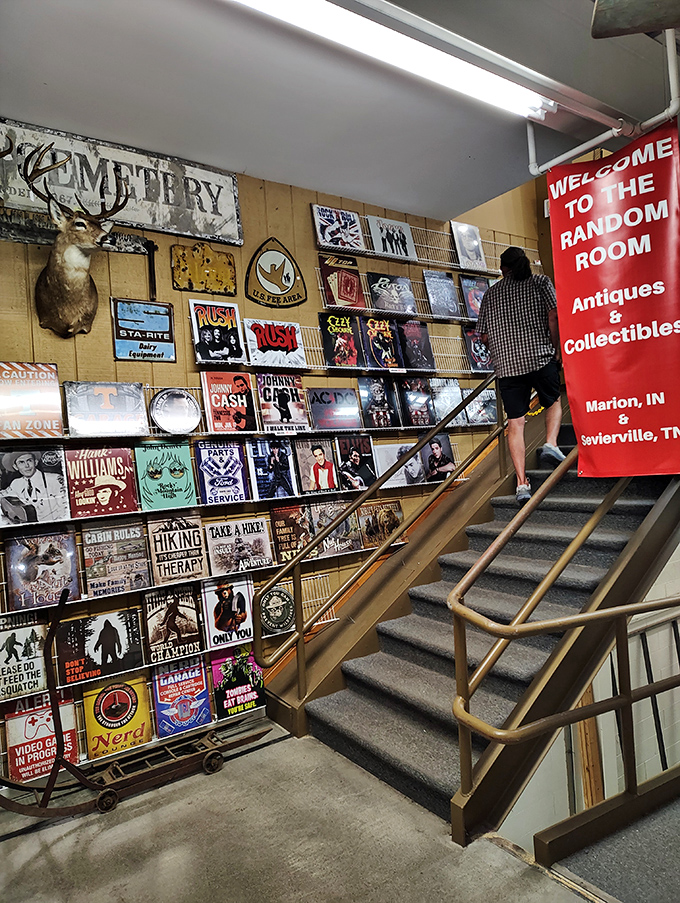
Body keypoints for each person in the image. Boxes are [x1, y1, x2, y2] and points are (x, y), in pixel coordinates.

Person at [477, 246, 565, 504]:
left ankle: (521, 483)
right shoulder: (540, 282)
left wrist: (501, 347)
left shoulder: (491, 293)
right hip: (539, 356)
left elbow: (482, 335)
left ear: (504, 268)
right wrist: (555, 345)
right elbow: (553, 314)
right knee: (553, 400)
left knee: (515, 423)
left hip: (507, 367)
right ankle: (550, 443)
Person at [0, 450, 69, 524]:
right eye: (21, 462)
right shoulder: (16, 483)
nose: (27, 466)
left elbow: (65, 509)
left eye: (29, 460)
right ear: (15, 467)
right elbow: (2, 496)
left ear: (35, 462)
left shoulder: (54, 479)